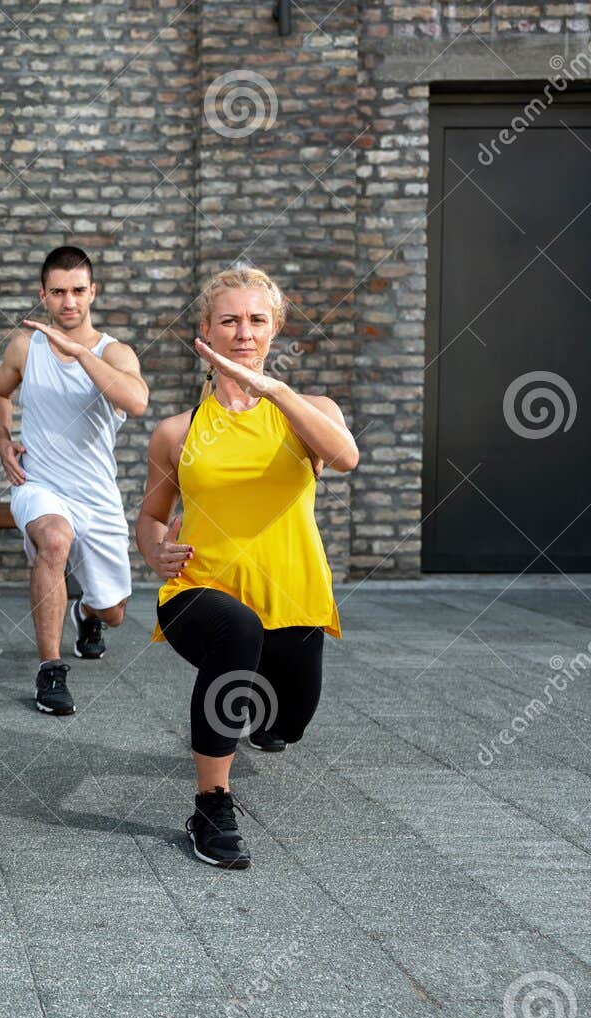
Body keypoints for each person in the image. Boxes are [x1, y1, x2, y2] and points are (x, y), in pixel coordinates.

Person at [136, 266, 358, 870]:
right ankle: (211, 803)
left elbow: (345, 457)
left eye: (256, 320)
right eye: (228, 320)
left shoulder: (308, 411)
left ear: (274, 329)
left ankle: (260, 715)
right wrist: (154, 549)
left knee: (286, 720)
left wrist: (274, 391)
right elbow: (151, 517)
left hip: (292, 599)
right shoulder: (177, 432)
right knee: (236, 632)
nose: (243, 332)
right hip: (198, 593)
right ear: (204, 332)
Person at [0, 245, 148, 715]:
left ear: (93, 292)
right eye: (58, 292)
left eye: (78, 291)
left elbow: (136, 401)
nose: (69, 301)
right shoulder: (25, 346)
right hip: (40, 485)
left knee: (114, 612)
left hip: (95, 496)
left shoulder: (114, 352)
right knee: (53, 541)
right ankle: (51, 669)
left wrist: (80, 353)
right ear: (44, 295)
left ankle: (86, 614)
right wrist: (3, 442)